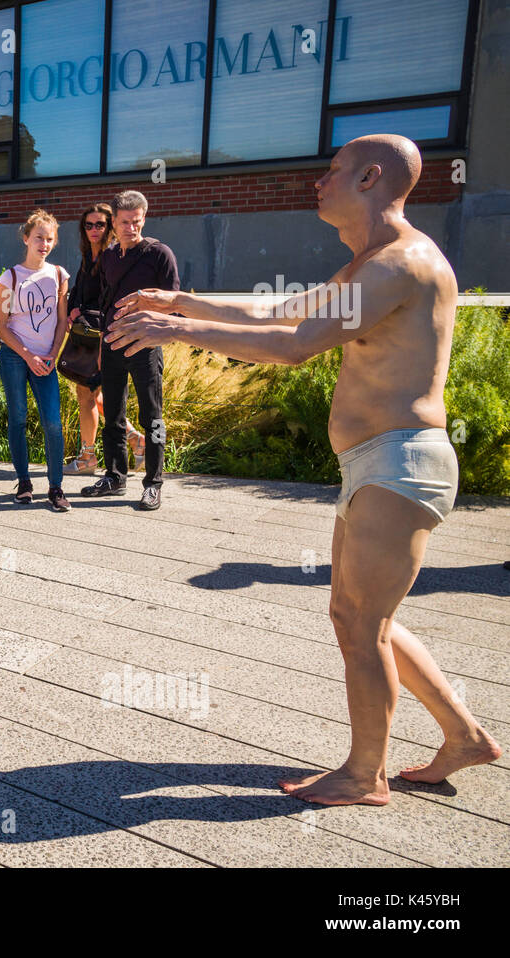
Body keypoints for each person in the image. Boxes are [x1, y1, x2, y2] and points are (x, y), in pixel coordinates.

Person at [108, 134, 502, 805]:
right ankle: (462, 738)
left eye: (334, 170)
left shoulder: (400, 264)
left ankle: (363, 775)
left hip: (401, 462)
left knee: (361, 624)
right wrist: (181, 303)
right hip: (378, 464)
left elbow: (295, 345)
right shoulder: (369, 264)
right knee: (357, 617)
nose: (319, 182)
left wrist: (175, 334)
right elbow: (282, 310)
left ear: (372, 177)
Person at [80, 190, 177, 511]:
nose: (130, 228)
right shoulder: (108, 257)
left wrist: (150, 326)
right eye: (124, 222)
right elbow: (101, 299)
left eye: (136, 222)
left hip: (145, 346)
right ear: (115, 222)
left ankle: (154, 483)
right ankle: (115, 476)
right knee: (114, 416)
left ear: (144, 219)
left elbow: (174, 305)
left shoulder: (159, 254)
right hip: (112, 344)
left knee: (153, 417)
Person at [62, 202, 147, 476]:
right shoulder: (89, 256)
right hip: (86, 336)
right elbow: (79, 291)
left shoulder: (112, 256)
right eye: (88, 225)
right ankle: (136, 439)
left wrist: (82, 311)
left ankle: (88, 458)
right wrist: (72, 309)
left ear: (109, 226)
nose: (94, 229)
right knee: (92, 396)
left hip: (102, 336)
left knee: (87, 396)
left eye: (100, 224)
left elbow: (110, 300)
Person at [0, 210, 71, 511]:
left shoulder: (58, 275)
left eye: (50, 239)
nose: (44, 243)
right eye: (39, 237)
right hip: (15, 357)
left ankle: (56, 487)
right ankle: (24, 481)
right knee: (18, 418)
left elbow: (63, 320)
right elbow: (1, 325)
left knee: (52, 422)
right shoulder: (10, 277)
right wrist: (27, 355)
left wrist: (52, 354)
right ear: (26, 238)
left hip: (46, 360)